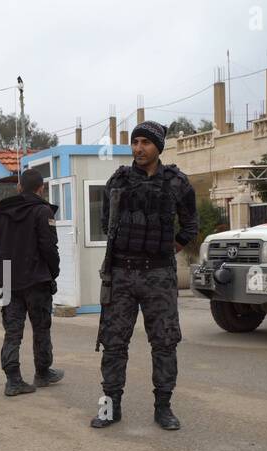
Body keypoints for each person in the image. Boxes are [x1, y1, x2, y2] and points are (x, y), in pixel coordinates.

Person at [91, 121, 199, 430]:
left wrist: (165, 249)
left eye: (145, 142)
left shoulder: (178, 183)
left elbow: (190, 226)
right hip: (121, 274)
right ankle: (110, 407)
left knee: (164, 343)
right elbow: (105, 223)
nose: (138, 148)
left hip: (159, 276)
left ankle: (163, 408)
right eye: (135, 142)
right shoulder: (119, 181)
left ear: (158, 147)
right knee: (113, 344)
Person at [0, 167, 63, 396]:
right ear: (41, 189)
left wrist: (1, 272)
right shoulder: (42, 211)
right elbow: (49, 247)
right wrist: (53, 272)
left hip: (9, 281)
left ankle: (13, 380)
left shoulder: (1, 212)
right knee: (41, 328)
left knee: (12, 331)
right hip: (37, 281)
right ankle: (42, 372)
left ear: (19, 188)